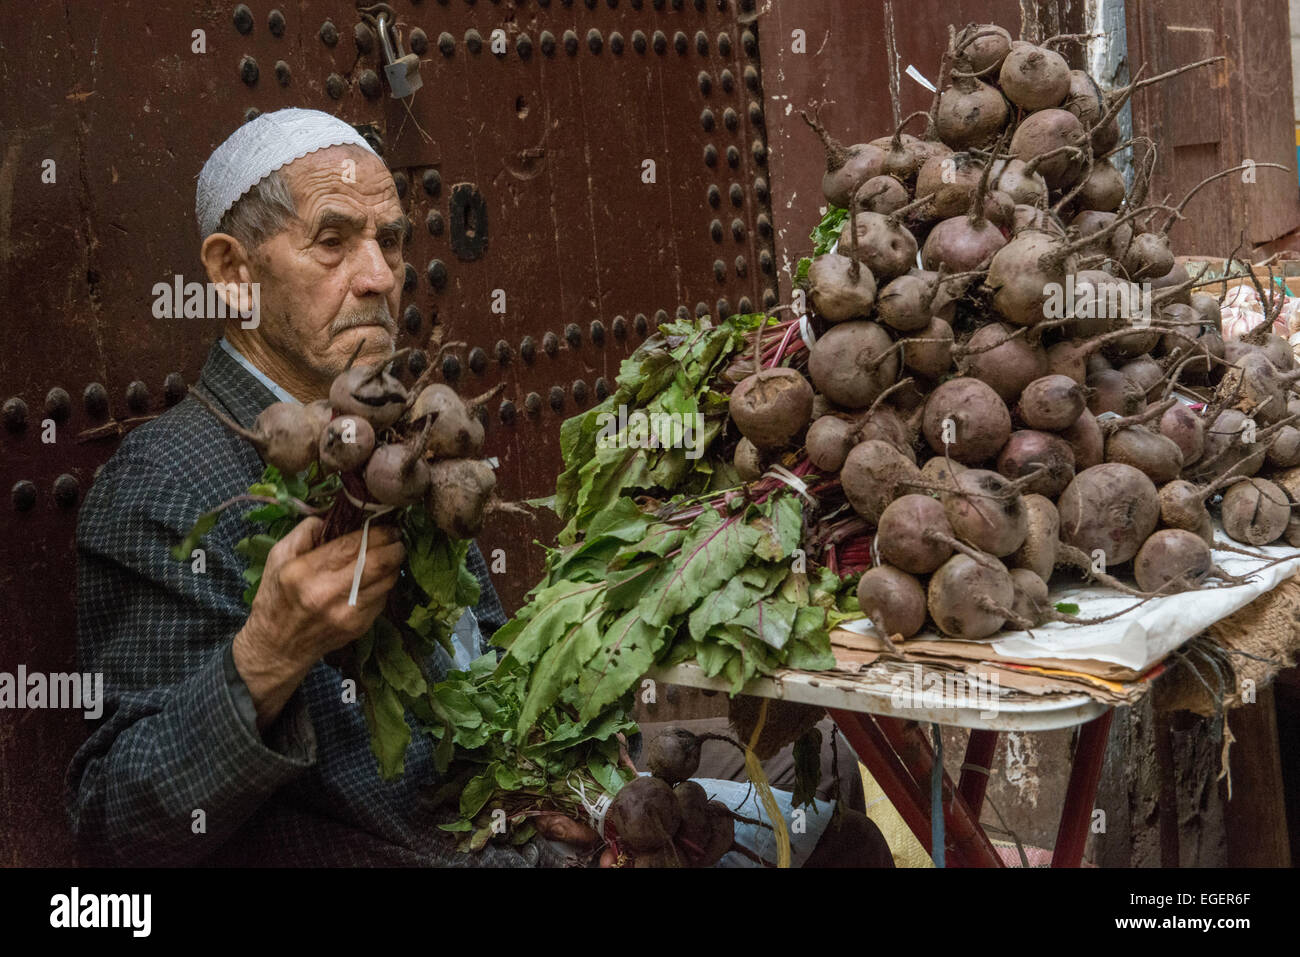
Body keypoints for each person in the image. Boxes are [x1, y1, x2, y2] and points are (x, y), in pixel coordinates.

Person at [66, 108, 892, 868]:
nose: (380, 277)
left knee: (824, 778)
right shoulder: (165, 483)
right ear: (232, 271)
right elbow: (116, 824)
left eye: (389, 243)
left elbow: (490, 671)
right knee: (840, 848)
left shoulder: (399, 435)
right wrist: (267, 655)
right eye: (332, 241)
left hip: (523, 804)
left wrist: (589, 767)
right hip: (427, 848)